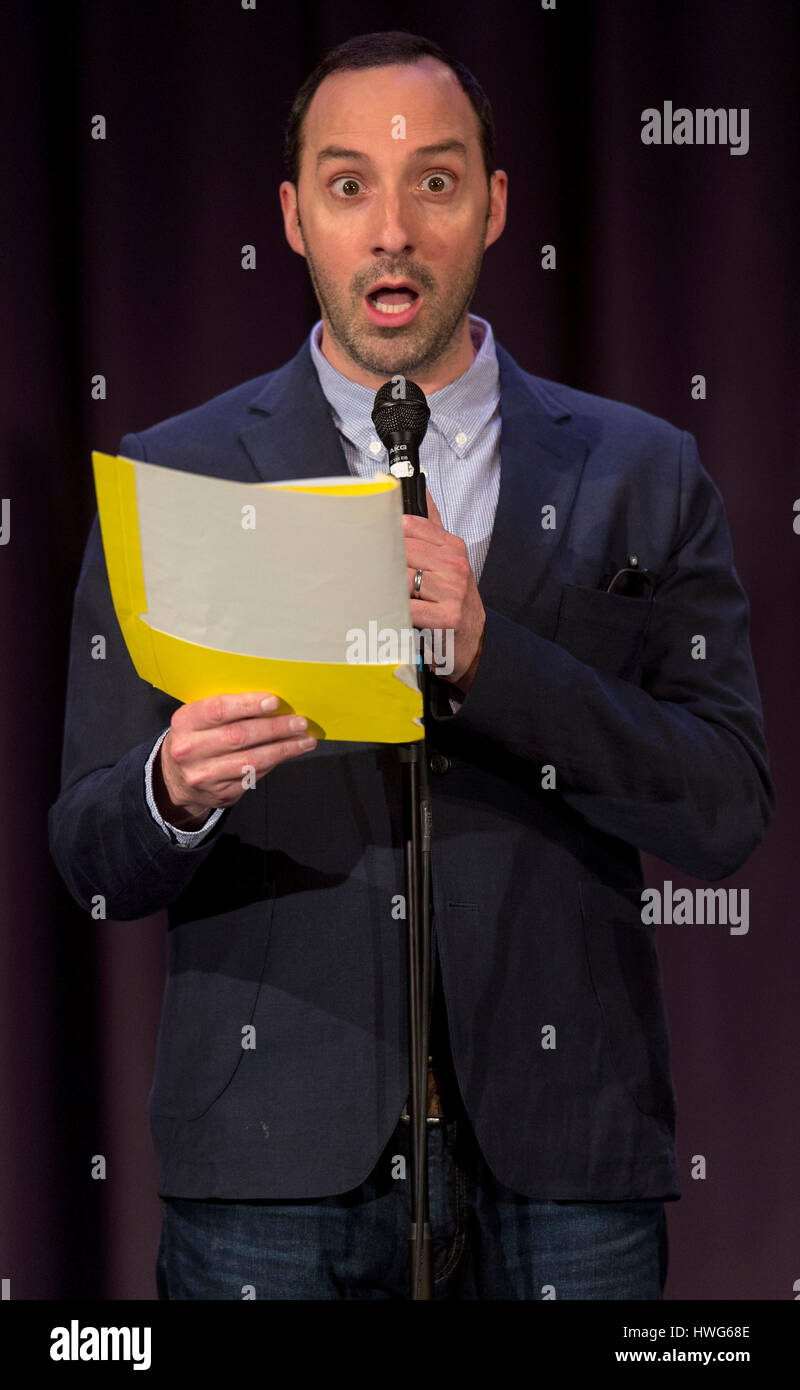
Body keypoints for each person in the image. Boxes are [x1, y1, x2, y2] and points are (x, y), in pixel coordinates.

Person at [48, 30, 773, 1300]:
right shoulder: (175, 478)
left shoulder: (640, 470)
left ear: (492, 205)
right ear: (293, 217)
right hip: (269, 1168)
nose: (391, 231)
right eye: (348, 186)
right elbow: (89, 853)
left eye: (433, 182)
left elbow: (723, 808)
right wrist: (171, 788)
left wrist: (497, 658)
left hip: (567, 1161)